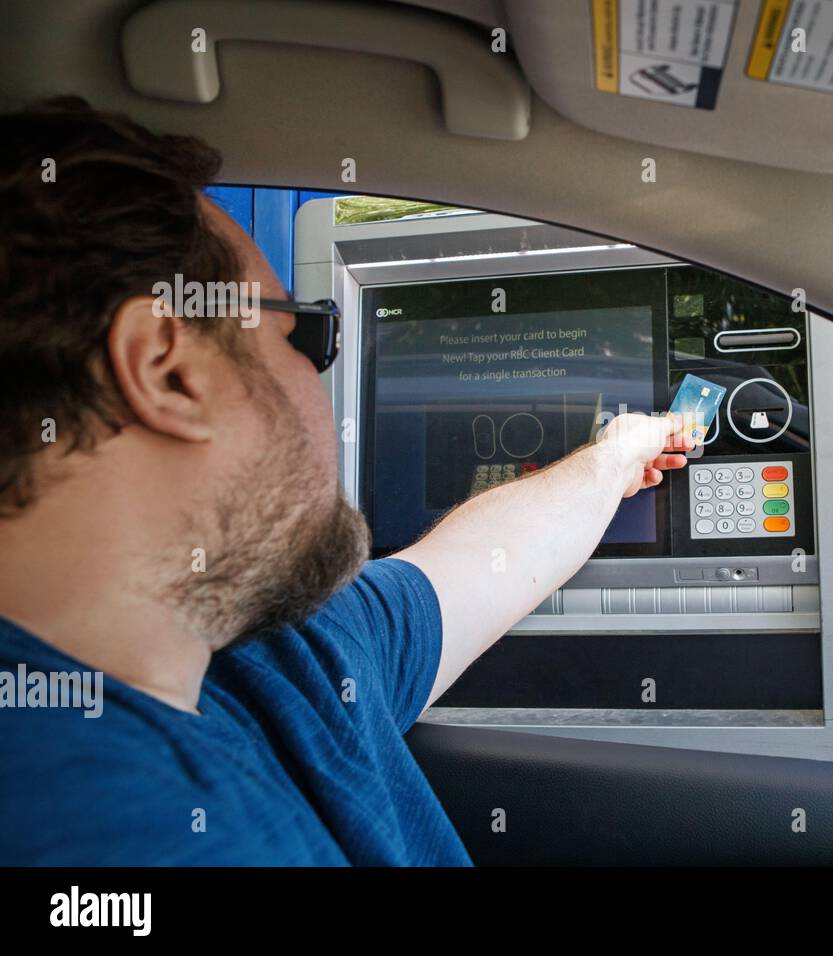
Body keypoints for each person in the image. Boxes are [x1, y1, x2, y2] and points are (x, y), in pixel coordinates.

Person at [0, 97, 692, 865]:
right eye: (303, 332)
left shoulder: (259, 658)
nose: (319, 377)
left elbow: (475, 566)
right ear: (168, 371)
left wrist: (614, 458)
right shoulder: (89, 826)